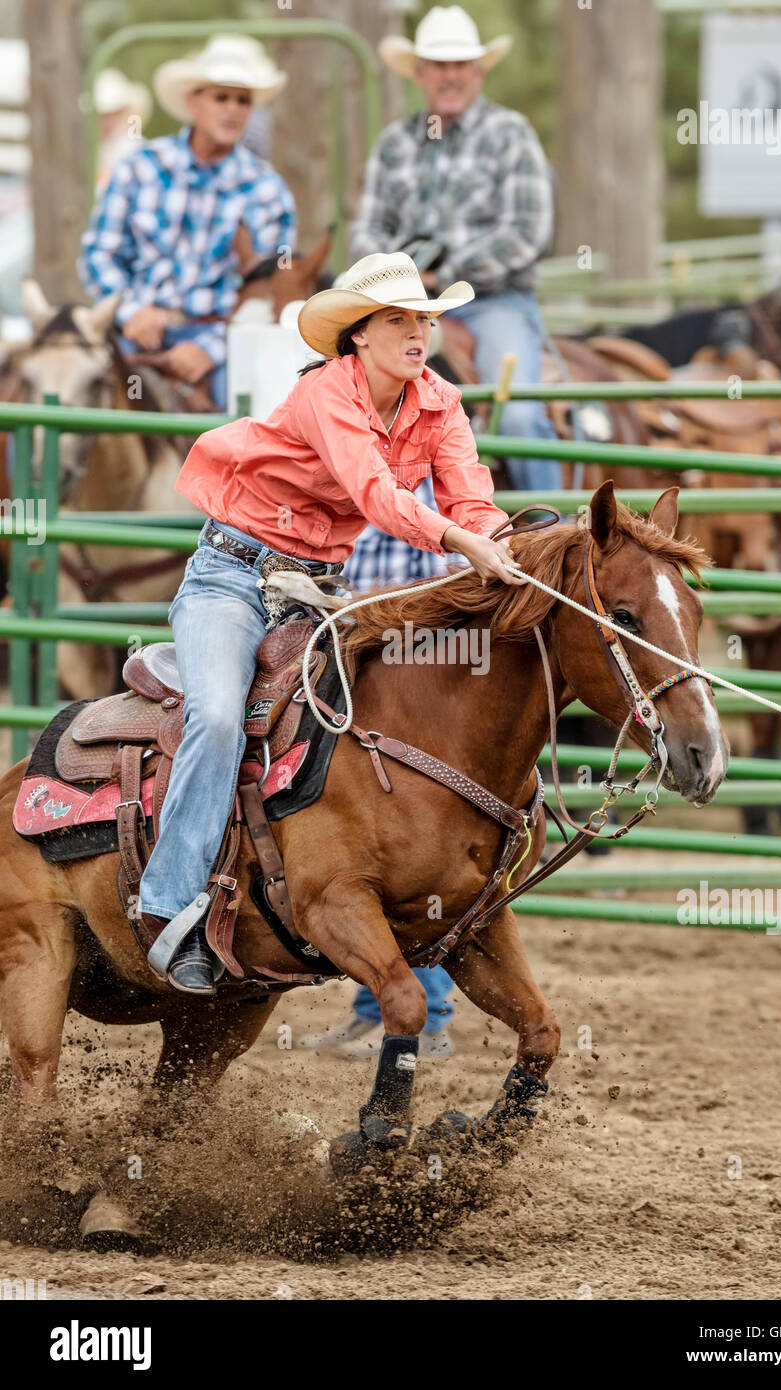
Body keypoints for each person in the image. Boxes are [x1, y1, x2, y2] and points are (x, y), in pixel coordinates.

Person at [132, 251, 522, 996]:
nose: (417, 334)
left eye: (424, 320)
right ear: (359, 336)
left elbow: (472, 496)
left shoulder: (439, 402)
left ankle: (328, 890)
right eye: (399, 320)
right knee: (216, 715)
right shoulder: (325, 393)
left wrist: (498, 541)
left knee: (378, 722)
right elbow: (374, 493)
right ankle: (168, 907)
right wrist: (457, 540)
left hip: (314, 590)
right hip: (232, 576)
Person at [350, 4, 559, 494]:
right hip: (398, 305)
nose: (451, 76)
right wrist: (396, 278)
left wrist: (445, 277)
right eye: (440, 66)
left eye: (461, 65)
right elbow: (367, 228)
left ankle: (553, 536)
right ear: (420, 73)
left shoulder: (510, 134)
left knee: (521, 419)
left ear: (479, 71)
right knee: (339, 400)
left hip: (490, 303)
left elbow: (527, 233)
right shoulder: (394, 144)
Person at [298, 475, 462, 1061]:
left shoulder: (428, 503)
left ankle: (428, 1014)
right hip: (366, 669)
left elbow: (432, 596)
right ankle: (378, 1009)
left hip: (408, 686)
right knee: (376, 856)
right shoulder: (374, 493)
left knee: (413, 866)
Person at [78, 35, 296, 409]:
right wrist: (132, 311)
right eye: (221, 97)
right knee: (60, 403)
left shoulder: (267, 190)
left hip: (224, 344)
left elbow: (269, 293)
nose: (233, 109)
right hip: (133, 334)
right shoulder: (140, 167)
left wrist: (209, 349)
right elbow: (99, 253)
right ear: (193, 102)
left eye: (243, 100)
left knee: (259, 422)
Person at [92, 69, 153, 195]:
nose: (108, 120)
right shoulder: (89, 147)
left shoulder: (135, 148)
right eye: (103, 115)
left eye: (114, 113)